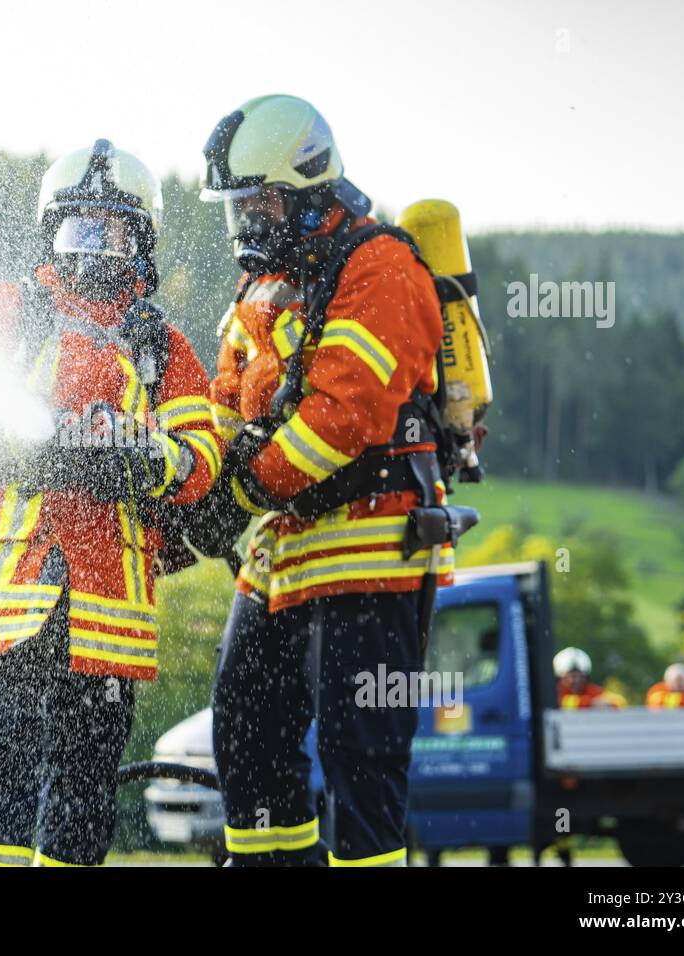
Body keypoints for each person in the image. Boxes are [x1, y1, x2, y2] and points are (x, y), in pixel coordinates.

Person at [0, 140, 222, 866]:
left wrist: (159, 458)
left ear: (141, 244)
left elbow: (203, 456)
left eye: (113, 229)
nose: (94, 245)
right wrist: (1, 425)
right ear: (51, 232)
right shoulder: (8, 313)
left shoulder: (162, 347)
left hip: (105, 621)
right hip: (3, 600)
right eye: (78, 226)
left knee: (81, 809)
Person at [200, 94, 458, 866]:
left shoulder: (382, 266)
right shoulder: (261, 291)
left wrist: (242, 491)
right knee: (243, 736)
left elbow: (342, 416)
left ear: (309, 184)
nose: (246, 222)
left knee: (361, 760)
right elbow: (223, 402)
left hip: (373, 543)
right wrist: (198, 482)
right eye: (238, 206)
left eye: (260, 201)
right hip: (284, 553)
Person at [554, 647, 622, 709]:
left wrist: (608, 704)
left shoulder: (590, 690)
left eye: (580, 677)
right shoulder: (553, 693)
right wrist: (590, 703)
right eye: (570, 676)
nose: (575, 681)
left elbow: (619, 702)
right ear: (560, 678)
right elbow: (561, 702)